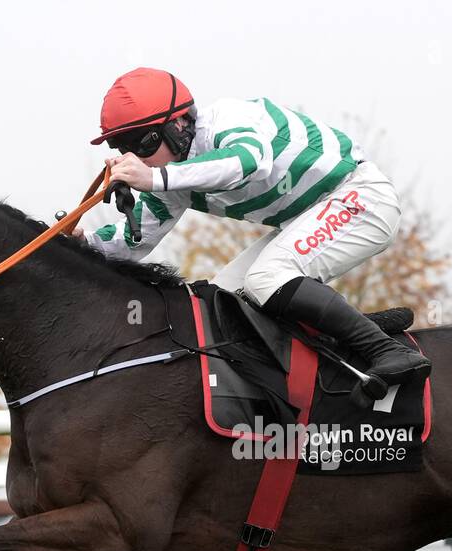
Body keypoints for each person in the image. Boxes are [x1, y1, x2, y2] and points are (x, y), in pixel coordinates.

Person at [74, 67, 431, 391]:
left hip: (360, 197)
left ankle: (385, 350)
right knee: (217, 304)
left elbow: (247, 162)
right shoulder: (176, 178)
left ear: (179, 124)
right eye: (123, 147)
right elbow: (135, 242)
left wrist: (154, 177)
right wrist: (79, 244)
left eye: (144, 144)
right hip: (310, 215)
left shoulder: (229, 119)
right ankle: (344, 336)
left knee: (265, 278)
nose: (137, 157)